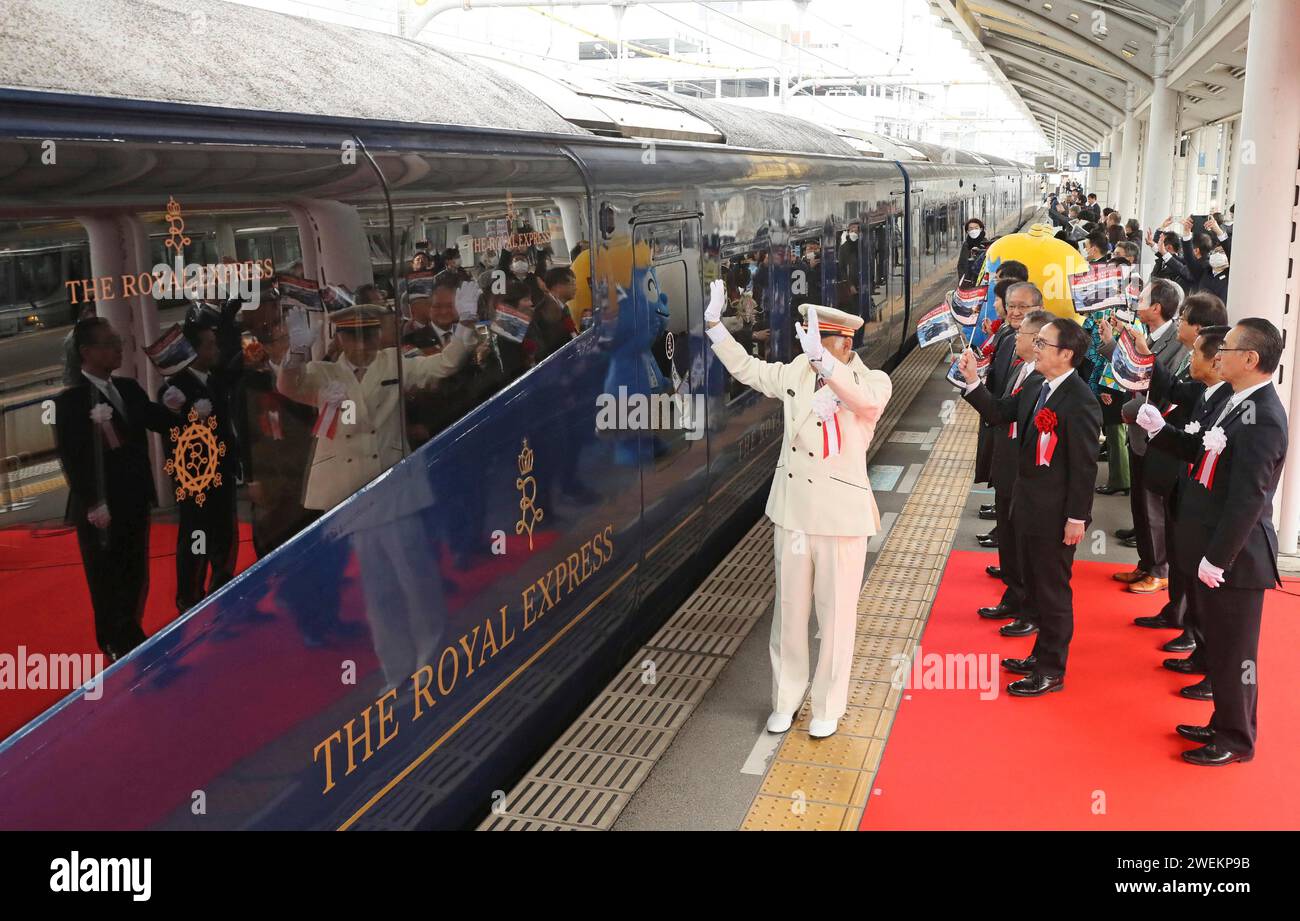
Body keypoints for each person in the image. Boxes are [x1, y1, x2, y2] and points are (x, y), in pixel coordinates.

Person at [704, 281, 891, 737]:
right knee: (788, 613)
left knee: (836, 616)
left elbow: (862, 401)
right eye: (807, 341)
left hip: (840, 518)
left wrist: (827, 365)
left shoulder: (871, 382)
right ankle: (786, 699)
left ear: (842, 343)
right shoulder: (795, 374)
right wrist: (713, 326)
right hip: (792, 515)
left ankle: (828, 705)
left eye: (815, 341)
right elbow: (750, 370)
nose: (806, 348)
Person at [1136, 319, 1288, 765]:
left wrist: (1218, 559)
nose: (1218, 354)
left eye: (1228, 347)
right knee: (1220, 648)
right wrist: (1159, 432)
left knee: (1235, 652)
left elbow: (1248, 499)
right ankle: (1221, 721)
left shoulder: (1263, 418)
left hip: (1235, 560)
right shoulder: (1233, 399)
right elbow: (1201, 450)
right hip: (1209, 546)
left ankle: (1236, 738)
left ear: (1251, 359)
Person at [958, 318, 1101, 694]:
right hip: (1027, 506)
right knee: (1036, 587)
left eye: (1043, 343)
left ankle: (1052, 670)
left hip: (1055, 516)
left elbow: (1084, 467)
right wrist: (972, 381)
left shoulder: (1081, 401)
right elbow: (999, 412)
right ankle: (1038, 656)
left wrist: (1076, 518)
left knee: (1053, 592)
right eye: (1035, 342)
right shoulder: (1038, 384)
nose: (1035, 349)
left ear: (1066, 354)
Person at [54, 318, 187, 660]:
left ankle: (132, 631)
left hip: (134, 498)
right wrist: (93, 502)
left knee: (134, 570)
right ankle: (112, 640)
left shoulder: (127, 388)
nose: (117, 348)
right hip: (100, 508)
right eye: (109, 343)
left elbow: (156, 419)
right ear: (86, 352)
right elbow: (73, 458)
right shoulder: (71, 401)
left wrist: (177, 406)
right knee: (105, 575)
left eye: (117, 341)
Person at [276, 287, 477, 512]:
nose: (362, 345)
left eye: (369, 336)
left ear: (378, 335)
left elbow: (444, 365)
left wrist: (466, 326)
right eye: (353, 337)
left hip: (391, 480)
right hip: (343, 488)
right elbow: (287, 386)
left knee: (402, 545)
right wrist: (295, 354)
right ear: (340, 338)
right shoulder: (323, 372)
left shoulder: (393, 361)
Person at [1134, 322, 1230, 664]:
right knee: (1180, 555)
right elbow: (1175, 392)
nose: (1191, 357)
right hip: (1182, 488)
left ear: (1217, 360)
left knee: (1195, 566)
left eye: (1196, 353)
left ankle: (1195, 635)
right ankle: (1179, 615)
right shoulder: (1203, 391)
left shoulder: (1232, 402)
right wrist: (1159, 429)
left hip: (1207, 503)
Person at [1106, 280, 1188, 595]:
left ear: (1156, 308)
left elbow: (1164, 391)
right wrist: (1112, 344)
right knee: (1140, 503)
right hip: (1138, 432)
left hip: (1156, 433)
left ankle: (1159, 569)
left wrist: (1126, 411)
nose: (1135, 301)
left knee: (1153, 505)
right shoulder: (1145, 334)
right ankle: (1145, 562)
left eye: (1141, 298)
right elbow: (1132, 371)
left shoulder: (1177, 341)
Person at [976, 308, 1051, 627]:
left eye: (1021, 333)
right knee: (1008, 537)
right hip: (1006, 467)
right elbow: (998, 410)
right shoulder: (1021, 369)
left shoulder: (1042, 380)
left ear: (1036, 341)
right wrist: (970, 383)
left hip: (1024, 474)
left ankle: (1029, 608)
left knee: (1022, 543)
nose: (1014, 334)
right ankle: (1013, 594)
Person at [162, 321, 242, 612]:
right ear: (193, 351)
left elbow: (237, 366)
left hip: (223, 471)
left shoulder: (214, 379)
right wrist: (178, 411)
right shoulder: (175, 388)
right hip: (195, 479)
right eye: (209, 344)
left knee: (224, 533)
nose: (215, 349)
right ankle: (190, 597)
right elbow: (169, 430)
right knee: (197, 536)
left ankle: (222, 590)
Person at [957, 218, 989, 285]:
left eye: (976, 228)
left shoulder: (986, 244)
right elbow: (961, 264)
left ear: (981, 229)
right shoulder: (966, 245)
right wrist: (963, 280)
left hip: (981, 281)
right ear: (967, 231)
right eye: (971, 229)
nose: (973, 230)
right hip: (968, 281)